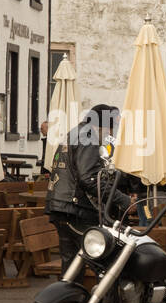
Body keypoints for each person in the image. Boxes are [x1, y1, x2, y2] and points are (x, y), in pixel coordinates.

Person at [45, 104, 121, 265]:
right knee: (105, 258)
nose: (110, 134)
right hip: (75, 209)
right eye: (109, 129)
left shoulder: (74, 133)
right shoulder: (88, 136)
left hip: (61, 206)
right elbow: (89, 179)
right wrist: (121, 199)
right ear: (102, 125)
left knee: (72, 263)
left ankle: (71, 291)